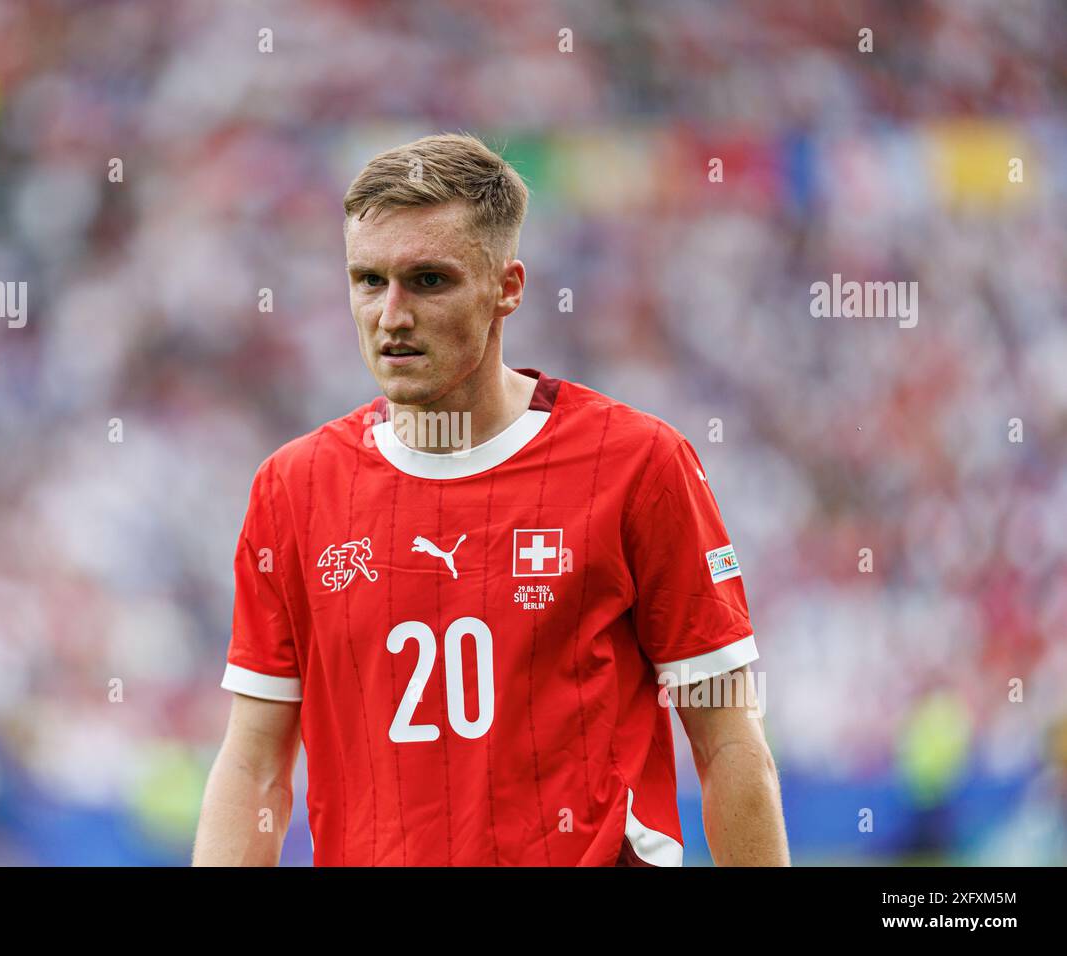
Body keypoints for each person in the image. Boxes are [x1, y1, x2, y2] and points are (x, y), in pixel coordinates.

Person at [193, 132, 789, 866]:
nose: (392, 314)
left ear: (507, 287)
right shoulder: (293, 488)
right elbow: (253, 766)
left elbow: (729, 743)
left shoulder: (638, 465)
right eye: (369, 280)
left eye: (429, 281)